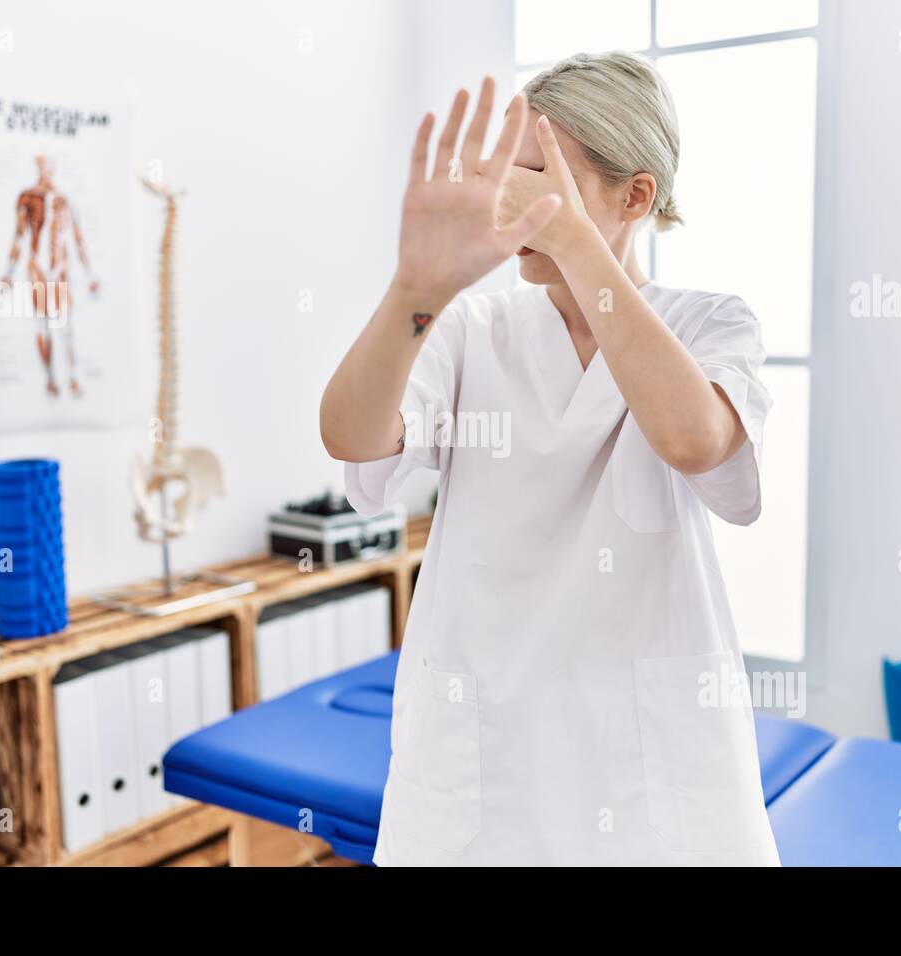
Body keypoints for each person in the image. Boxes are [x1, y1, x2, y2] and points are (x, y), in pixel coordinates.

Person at [321, 51, 778, 866]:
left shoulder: (710, 325)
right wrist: (411, 293)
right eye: (507, 176)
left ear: (635, 195)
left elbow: (694, 440)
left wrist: (572, 242)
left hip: (649, 769)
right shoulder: (473, 331)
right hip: (483, 757)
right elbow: (354, 435)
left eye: (538, 178)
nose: (508, 202)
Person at [0, 155, 99, 398]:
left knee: (66, 326)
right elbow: (19, 235)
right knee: (43, 325)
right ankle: (50, 378)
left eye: (49, 166)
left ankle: (73, 377)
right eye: (42, 166)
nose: (46, 170)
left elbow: (77, 238)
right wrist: (9, 273)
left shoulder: (64, 201)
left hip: (59, 270)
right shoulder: (28, 197)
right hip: (38, 271)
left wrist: (90, 275)